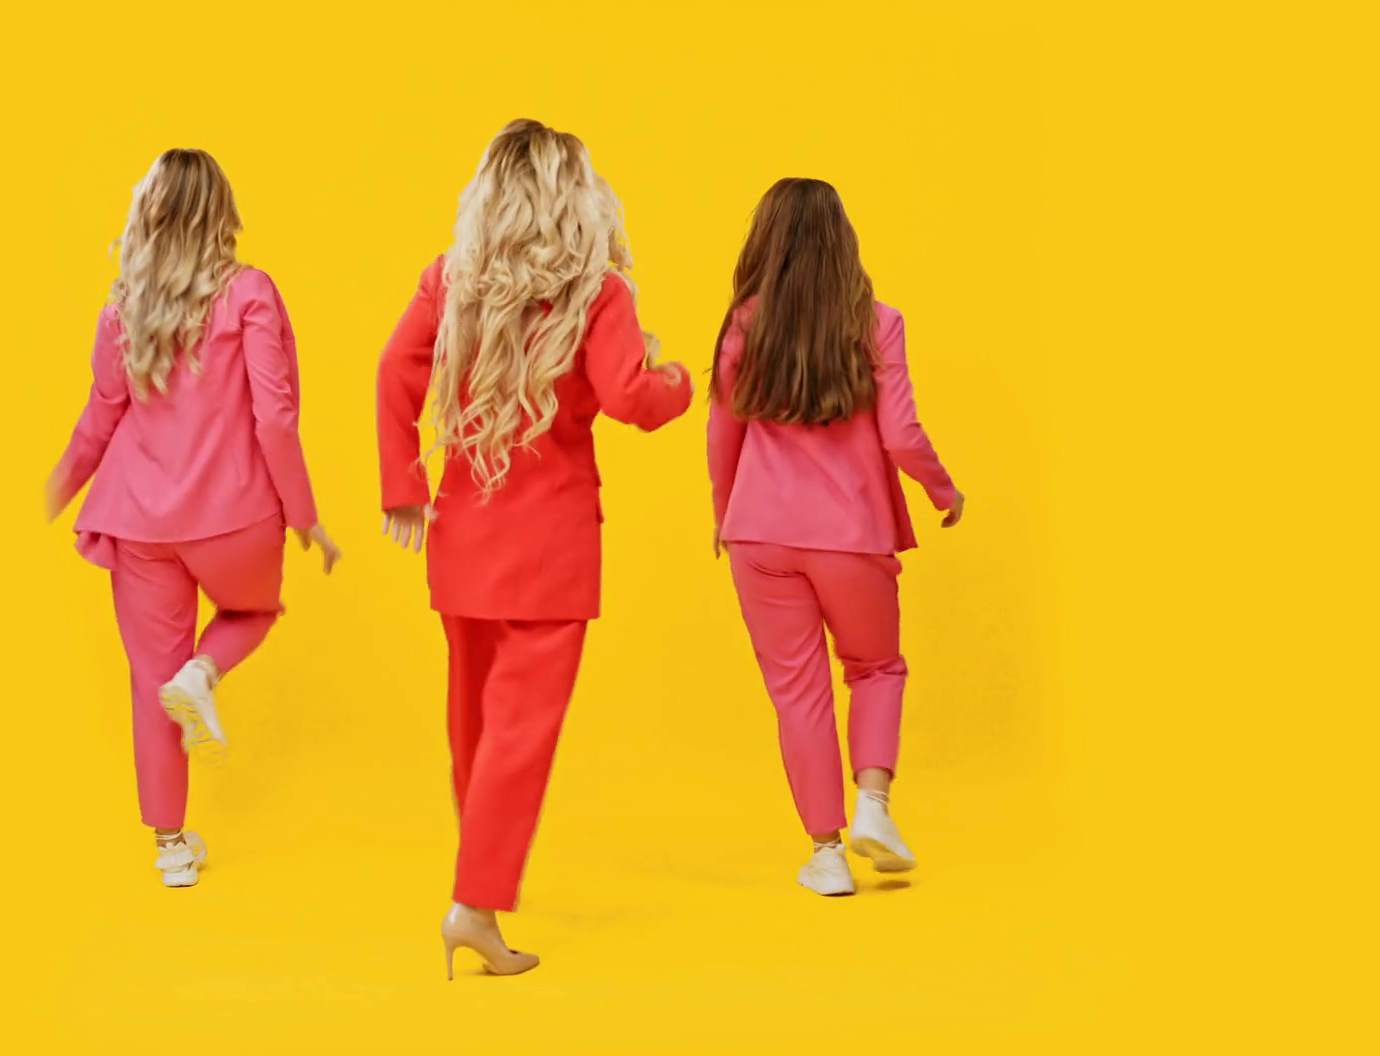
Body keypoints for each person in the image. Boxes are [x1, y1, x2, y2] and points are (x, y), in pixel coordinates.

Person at [377, 119, 693, 977]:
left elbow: (393, 372)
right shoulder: (599, 296)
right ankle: (472, 906)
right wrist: (681, 384)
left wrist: (405, 486)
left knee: (475, 726)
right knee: (519, 735)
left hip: (464, 539)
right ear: (576, 198)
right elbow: (630, 397)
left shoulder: (453, 281)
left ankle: (472, 889)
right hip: (550, 550)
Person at [46, 149, 340, 888]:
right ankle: (205, 672)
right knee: (253, 612)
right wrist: (304, 516)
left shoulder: (124, 309)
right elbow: (276, 417)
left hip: (138, 519)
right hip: (234, 516)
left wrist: (50, 494)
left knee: (151, 678)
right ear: (222, 212)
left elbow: (98, 420)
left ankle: (171, 849)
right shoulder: (250, 294)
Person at [707, 177, 966, 898]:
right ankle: (874, 807)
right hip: (851, 535)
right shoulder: (877, 321)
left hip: (759, 533)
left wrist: (725, 516)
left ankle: (825, 856)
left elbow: (721, 432)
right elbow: (902, 434)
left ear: (768, 244)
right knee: (876, 668)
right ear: (842, 240)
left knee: (799, 693)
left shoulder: (744, 323)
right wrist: (944, 491)